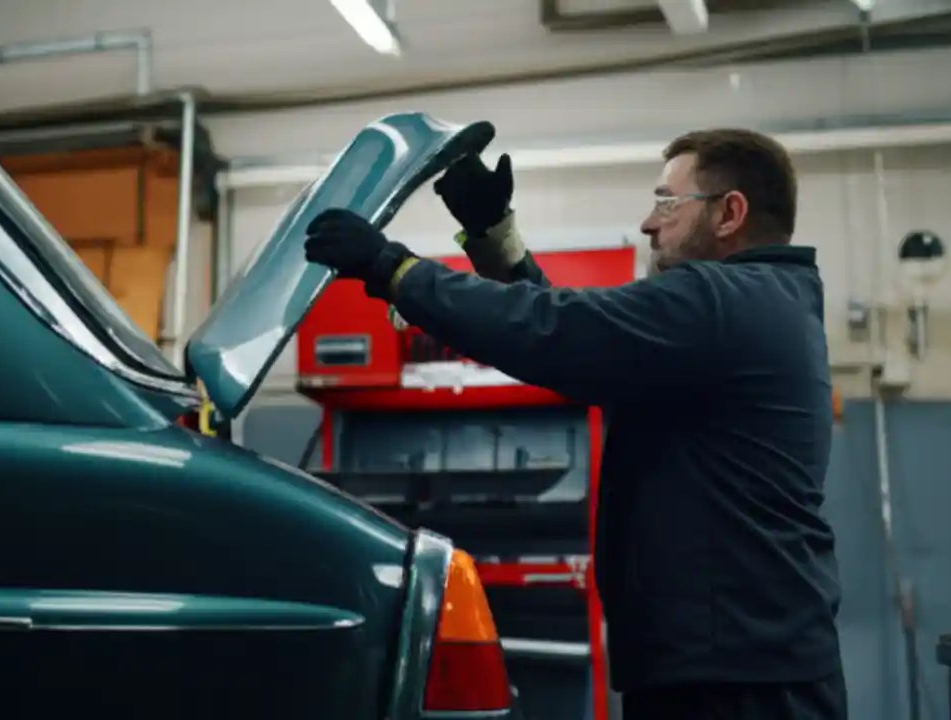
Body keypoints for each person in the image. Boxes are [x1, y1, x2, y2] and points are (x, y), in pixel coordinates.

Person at [304, 128, 846, 719]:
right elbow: (574, 346)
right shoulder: (754, 307)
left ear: (730, 213)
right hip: (739, 663)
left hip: (738, 680)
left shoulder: (725, 302)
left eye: (667, 202)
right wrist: (493, 235)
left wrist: (393, 268)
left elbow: (554, 330)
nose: (648, 222)